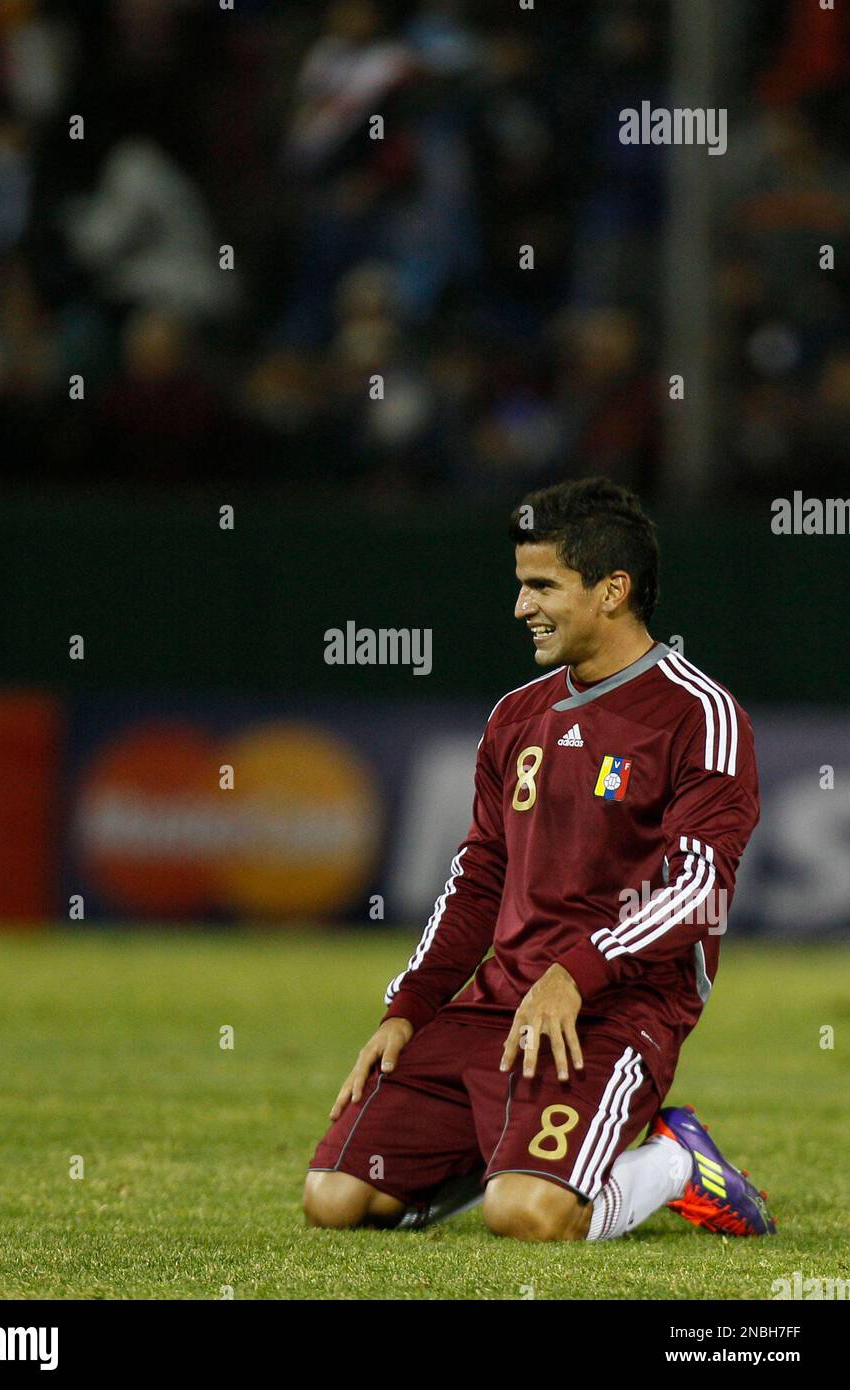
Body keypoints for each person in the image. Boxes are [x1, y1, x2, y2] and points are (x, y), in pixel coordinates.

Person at [304, 476, 776, 1242]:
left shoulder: (699, 715)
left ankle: (677, 1162)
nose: (520, 607)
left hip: (619, 1010)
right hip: (501, 999)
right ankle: (508, 1158)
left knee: (526, 1218)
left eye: (540, 586)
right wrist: (410, 1008)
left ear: (611, 590)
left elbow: (699, 890)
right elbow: (479, 877)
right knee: (335, 1201)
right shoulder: (514, 717)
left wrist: (575, 972)